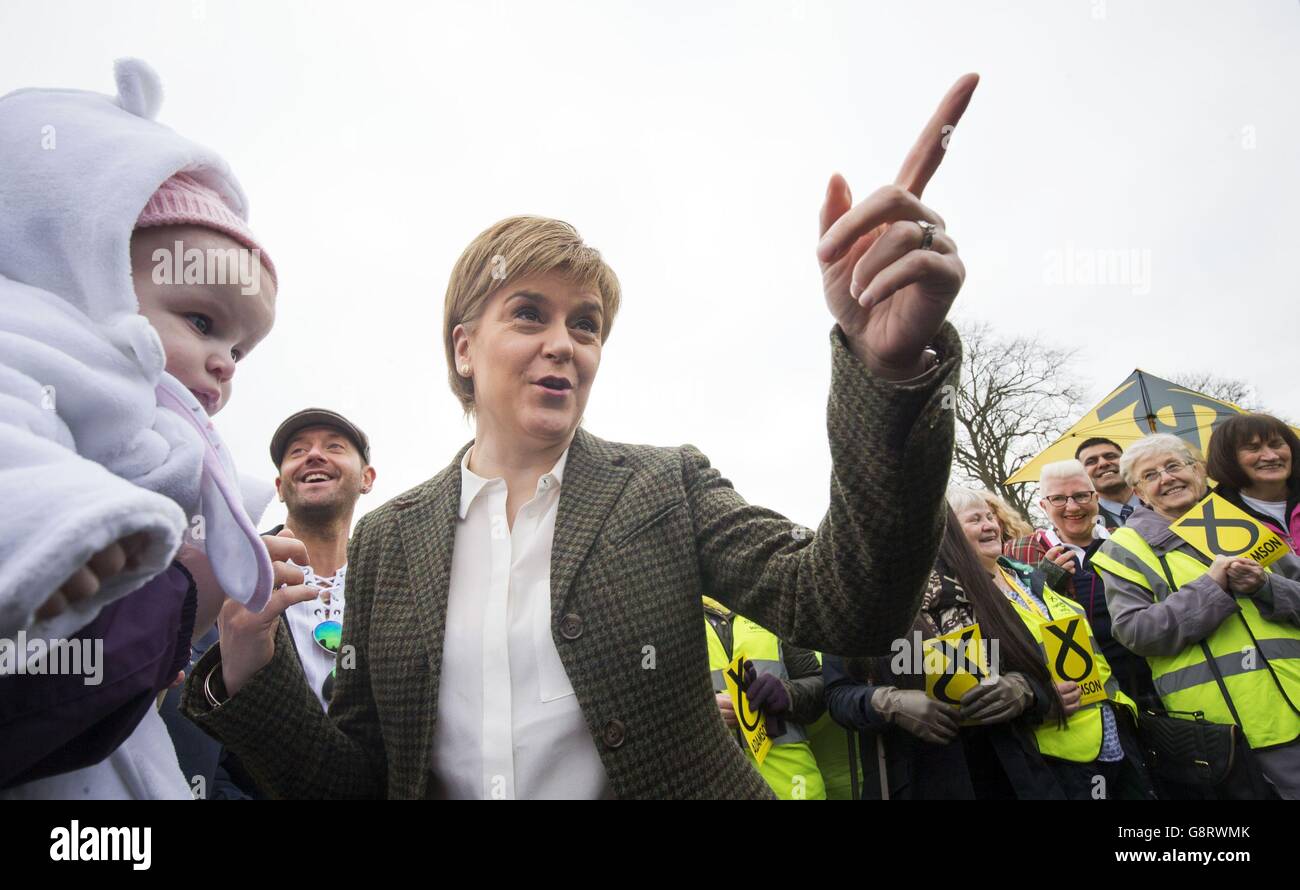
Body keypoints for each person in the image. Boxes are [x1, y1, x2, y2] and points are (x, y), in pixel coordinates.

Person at [180, 74, 978, 799]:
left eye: (586, 324)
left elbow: (847, 607)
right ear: (464, 346)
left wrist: (890, 371)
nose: (565, 342)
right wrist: (252, 671)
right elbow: (357, 781)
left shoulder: (665, 486)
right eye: (530, 313)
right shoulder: (389, 541)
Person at [0, 60, 304, 799]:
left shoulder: (167, 431)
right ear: (86, 264)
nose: (225, 364)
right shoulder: (33, 345)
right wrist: (71, 533)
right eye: (201, 321)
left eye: (239, 349)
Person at [164, 409, 375, 798]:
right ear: (280, 486)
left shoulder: (392, 584)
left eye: (334, 447)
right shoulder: (226, 577)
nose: (314, 456)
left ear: (367, 478)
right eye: (297, 451)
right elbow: (194, 730)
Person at [1091, 433, 1300, 799]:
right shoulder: (1123, 549)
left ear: (1198, 471)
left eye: (1174, 465)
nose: (1167, 478)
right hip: (1220, 733)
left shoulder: (1245, 521)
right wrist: (1210, 588)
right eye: (1150, 475)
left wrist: (1265, 585)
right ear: (1139, 493)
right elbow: (1135, 632)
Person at [824, 506, 1064, 799]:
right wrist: (891, 704)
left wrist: (1020, 689)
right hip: (919, 779)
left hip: (1013, 776)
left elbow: (1036, 671)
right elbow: (838, 695)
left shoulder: (979, 586)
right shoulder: (853, 606)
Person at [949, 487, 1153, 799]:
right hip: (1052, 758)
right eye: (975, 520)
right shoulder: (949, 600)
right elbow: (967, 695)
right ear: (948, 532)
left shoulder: (1026, 576)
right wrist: (1034, 696)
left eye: (990, 516)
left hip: (1111, 733)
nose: (990, 525)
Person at [1005, 460, 1156, 708]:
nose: (1072, 507)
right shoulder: (1019, 551)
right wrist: (1043, 582)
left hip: (1149, 671)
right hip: (1086, 691)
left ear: (1095, 497)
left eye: (1080, 496)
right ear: (1043, 505)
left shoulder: (1127, 539)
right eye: (1059, 499)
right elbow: (1014, 620)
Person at [705, 597, 827, 799]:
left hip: (792, 786)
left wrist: (787, 693)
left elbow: (822, 687)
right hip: (713, 783)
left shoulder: (774, 605)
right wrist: (701, 710)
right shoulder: (670, 618)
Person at [1206, 413, 1300, 553]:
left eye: (1276, 445)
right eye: (1253, 448)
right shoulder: (1211, 520)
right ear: (1228, 459)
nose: (1271, 456)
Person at [1076, 438, 1142, 530]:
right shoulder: (1085, 526)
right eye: (1091, 461)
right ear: (1081, 474)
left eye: (1110, 456)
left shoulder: (1160, 499)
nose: (1103, 463)